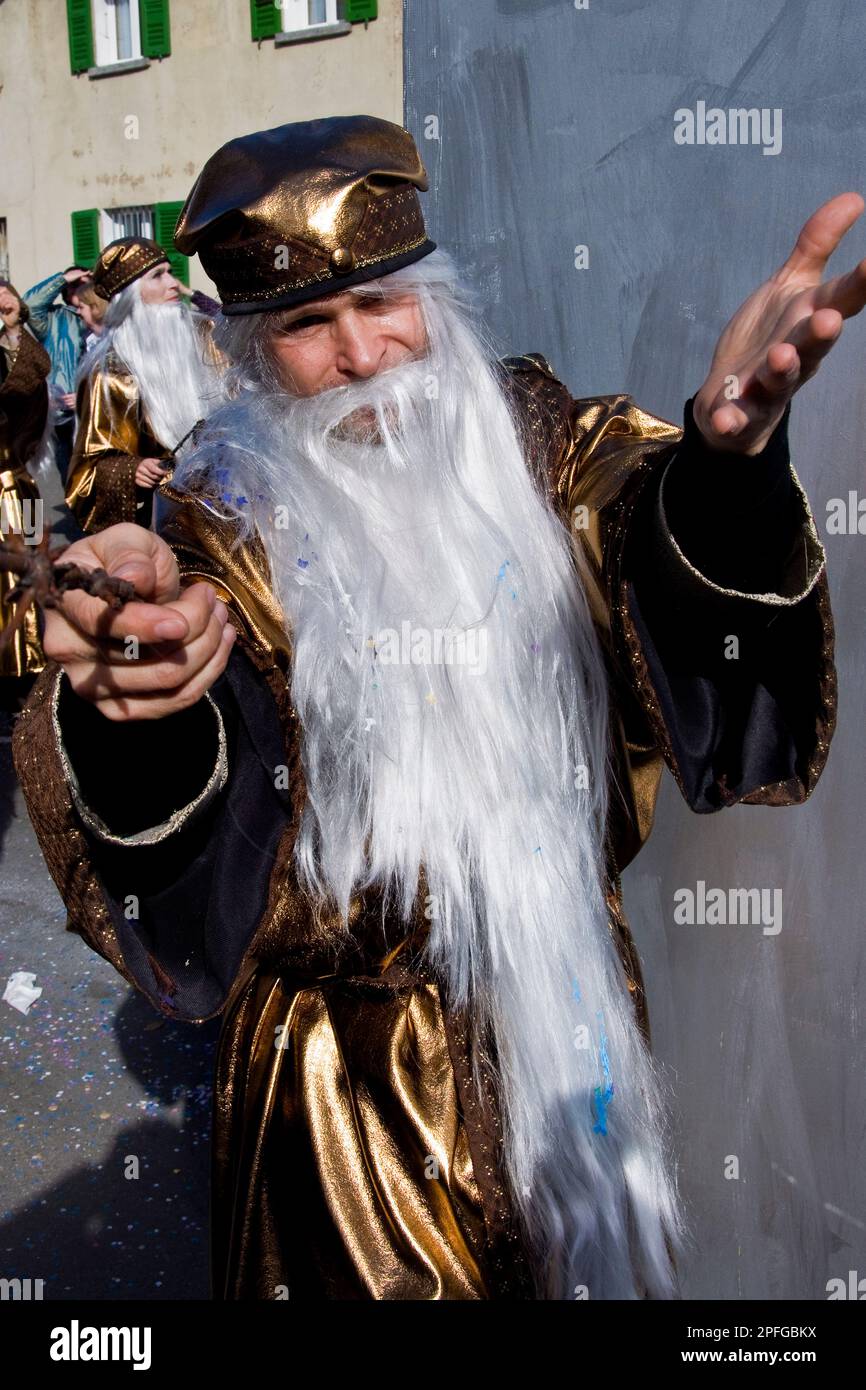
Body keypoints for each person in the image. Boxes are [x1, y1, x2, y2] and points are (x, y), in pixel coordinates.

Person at [11, 115, 851, 1301]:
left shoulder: (535, 435)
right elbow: (199, 757)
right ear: (252, 353)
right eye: (307, 324)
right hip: (343, 1095)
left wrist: (724, 470)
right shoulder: (218, 518)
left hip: (569, 1030)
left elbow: (641, 528)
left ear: (436, 302)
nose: (363, 356)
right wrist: (130, 708)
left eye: (383, 304)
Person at [64, 238, 222, 535]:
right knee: (23, 539)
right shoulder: (110, 372)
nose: (173, 284)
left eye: (169, 272)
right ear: (130, 295)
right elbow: (85, 474)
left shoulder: (206, 339)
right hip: (163, 524)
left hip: (224, 506)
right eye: (157, 276)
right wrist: (130, 469)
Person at [0, 279, 51, 686]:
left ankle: (26, 659)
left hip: (19, 486)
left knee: (26, 567)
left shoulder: (15, 350)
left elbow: (29, 386)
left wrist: (15, 331)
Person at [23, 266, 90, 486]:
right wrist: (64, 278)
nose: (81, 288)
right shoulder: (54, 318)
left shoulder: (107, 314)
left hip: (94, 407)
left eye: (86, 283)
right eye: (75, 285)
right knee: (69, 468)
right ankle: (76, 515)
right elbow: (30, 305)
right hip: (64, 410)